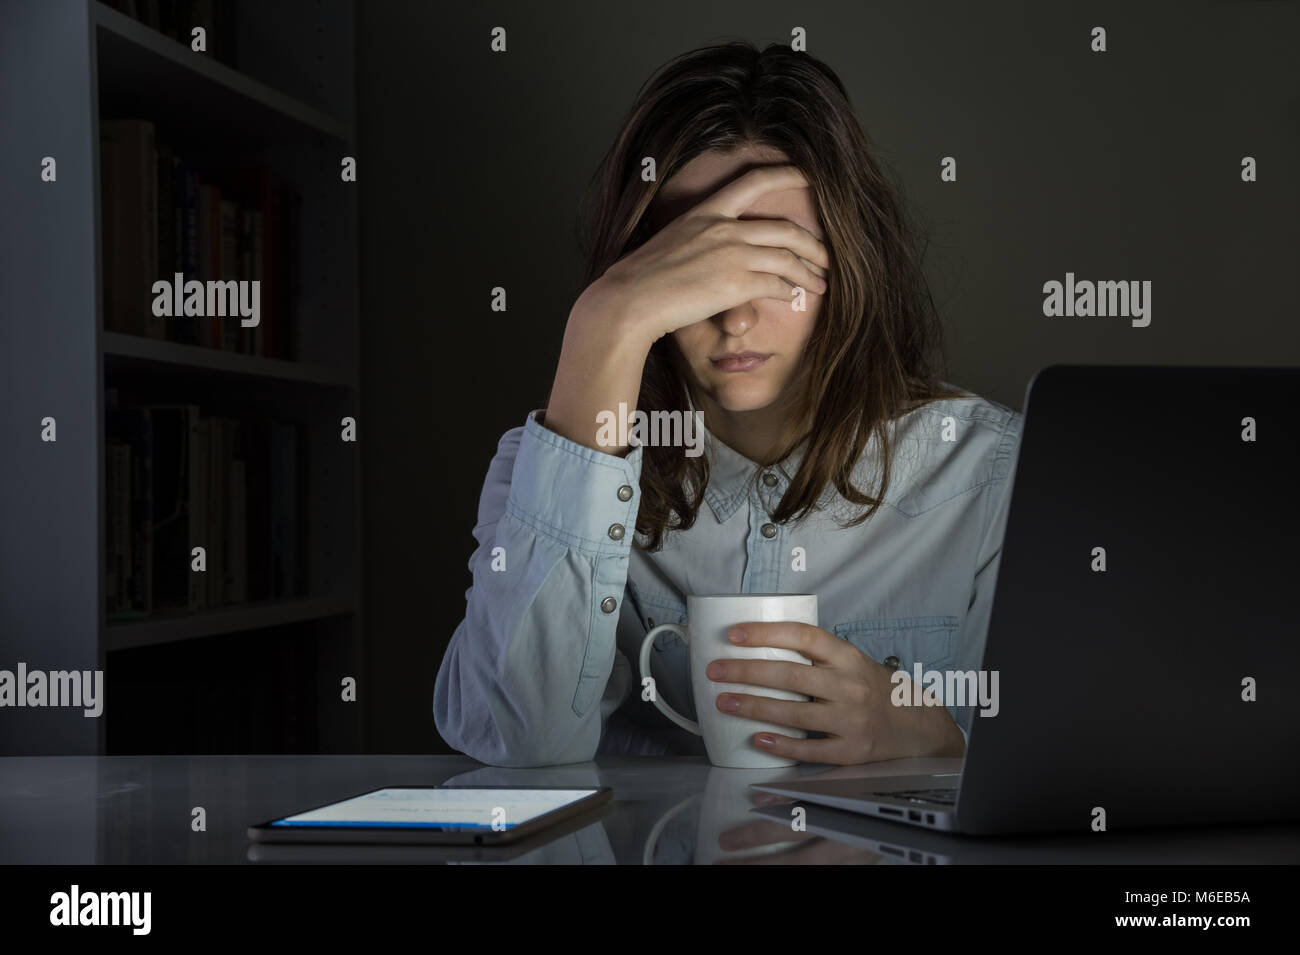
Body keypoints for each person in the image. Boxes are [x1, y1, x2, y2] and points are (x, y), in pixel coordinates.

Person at [434, 40, 1022, 767]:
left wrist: (931, 733)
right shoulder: (545, 467)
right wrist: (603, 322)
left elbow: (1079, 761)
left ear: (849, 258)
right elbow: (518, 736)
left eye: (775, 259)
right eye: (694, 265)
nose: (734, 316)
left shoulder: (993, 474)